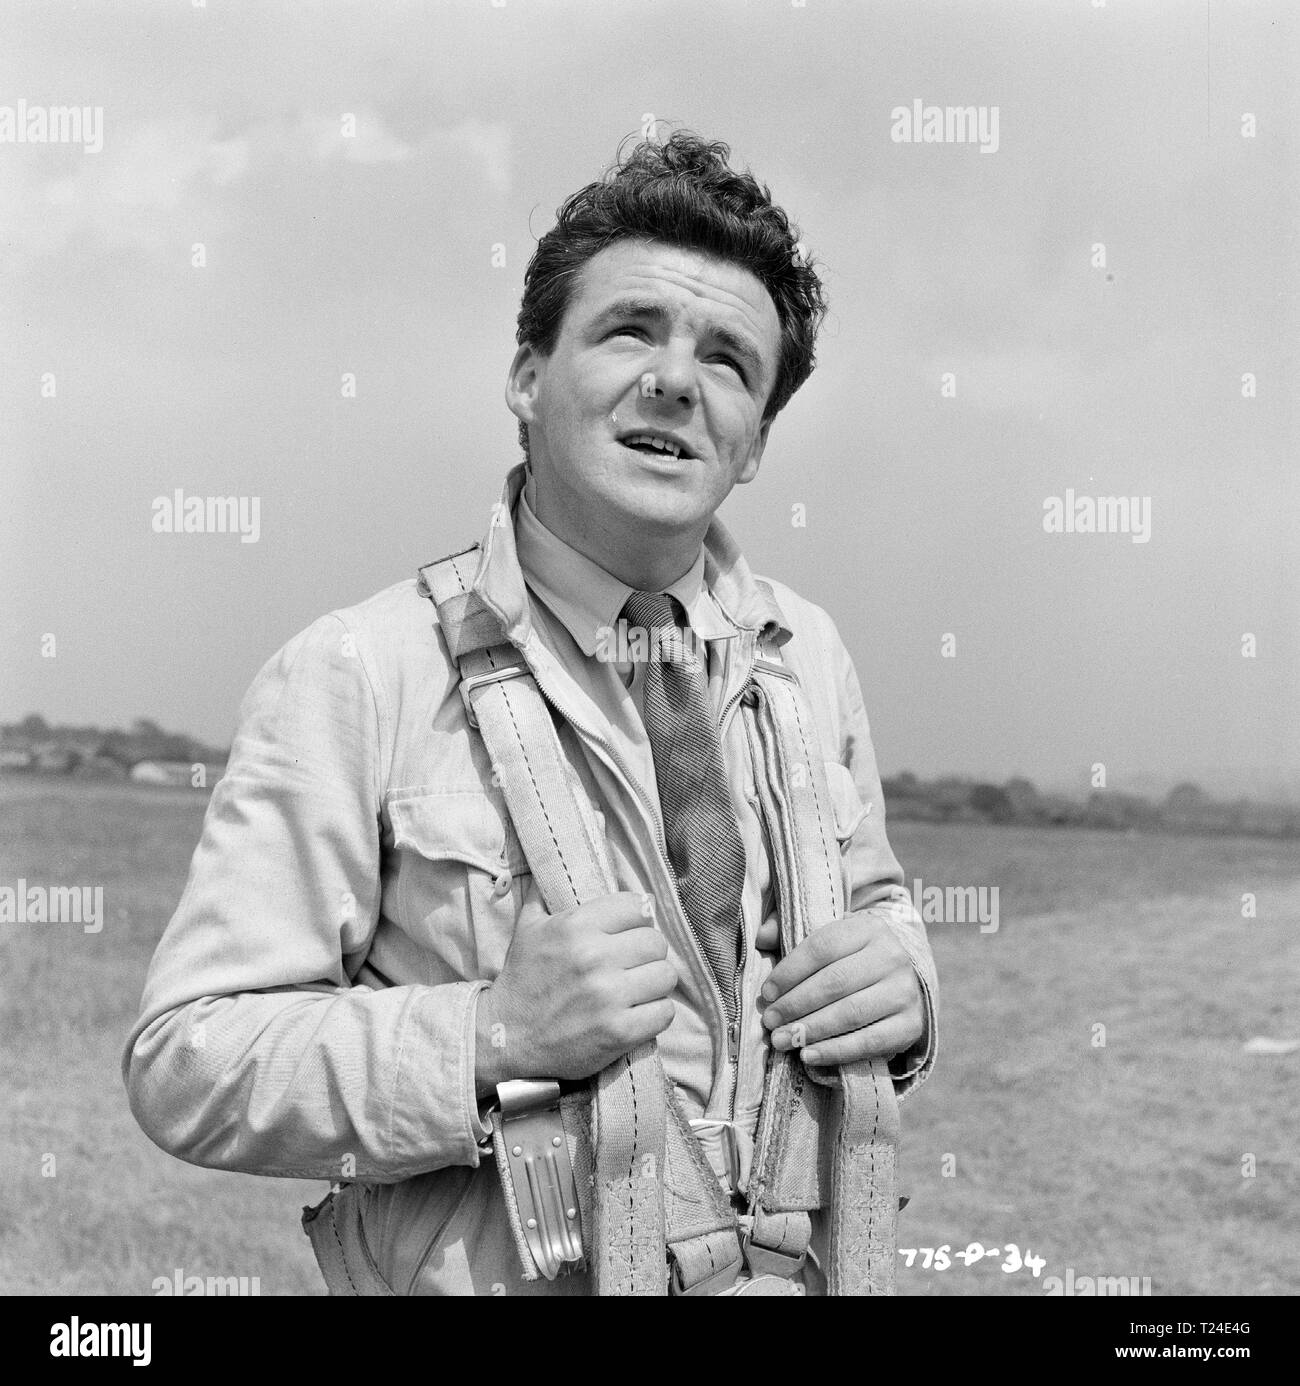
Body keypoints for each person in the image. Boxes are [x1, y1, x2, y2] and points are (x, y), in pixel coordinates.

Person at [123, 130, 938, 1296]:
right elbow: (186, 1064)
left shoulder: (805, 652)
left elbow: (880, 908)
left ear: (753, 442)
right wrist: (492, 1034)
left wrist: (906, 985)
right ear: (525, 378)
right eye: (628, 330)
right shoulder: (361, 670)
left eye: (728, 360)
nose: (675, 380)